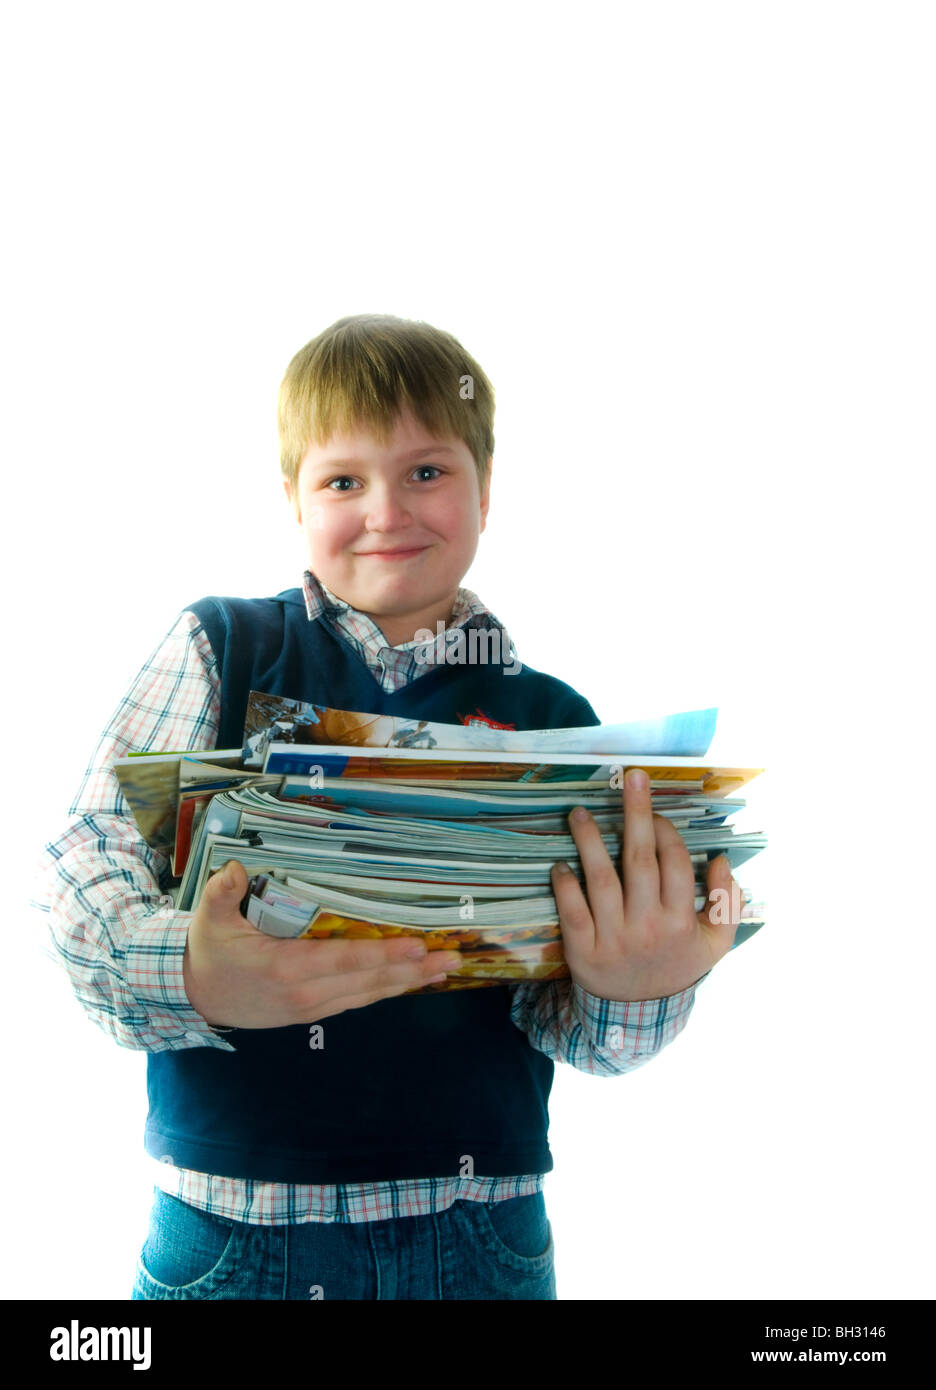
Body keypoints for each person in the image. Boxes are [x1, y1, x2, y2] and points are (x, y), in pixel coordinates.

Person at [33, 313, 743, 1300]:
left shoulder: (552, 723)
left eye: (425, 472)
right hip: (237, 1230)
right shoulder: (219, 646)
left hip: (481, 1239)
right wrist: (188, 970)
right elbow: (86, 851)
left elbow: (571, 1024)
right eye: (341, 481)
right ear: (292, 499)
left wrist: (642, 985)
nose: (385, 510)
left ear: (485, 492)